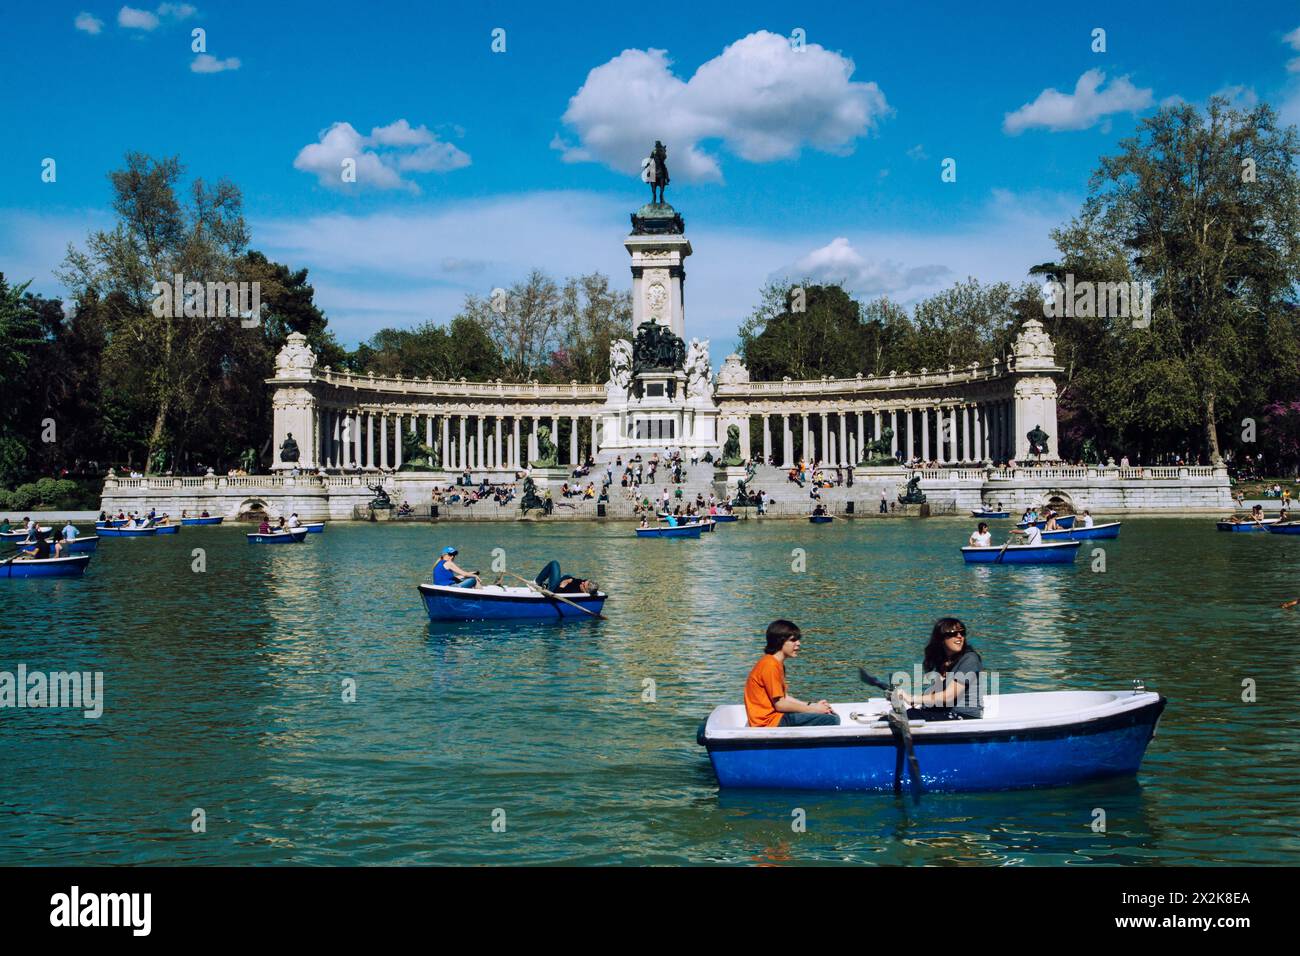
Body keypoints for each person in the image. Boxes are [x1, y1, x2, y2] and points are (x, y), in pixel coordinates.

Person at [744, 620, 840, 728]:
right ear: (779, 641)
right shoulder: (770, 665)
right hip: (769, 722)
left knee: (828, 714)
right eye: (793, 640)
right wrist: (814, 709)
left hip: (775, 718)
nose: (798, 643)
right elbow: (780, 705)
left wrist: (812, 705)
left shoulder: (775, 663)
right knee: (832, 719)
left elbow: (783, 697)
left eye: (798, 639)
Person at [899, 618, 983, 720]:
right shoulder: (944, 662)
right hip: (944, 712)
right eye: (953, 633)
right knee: (905, 714)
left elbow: (948, 697)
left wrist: (913, 699)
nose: (959, 636)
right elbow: (935, 694)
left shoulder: (970, 659)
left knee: (911, 716)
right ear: (941, 638)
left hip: (964, 716)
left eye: (962, 632)